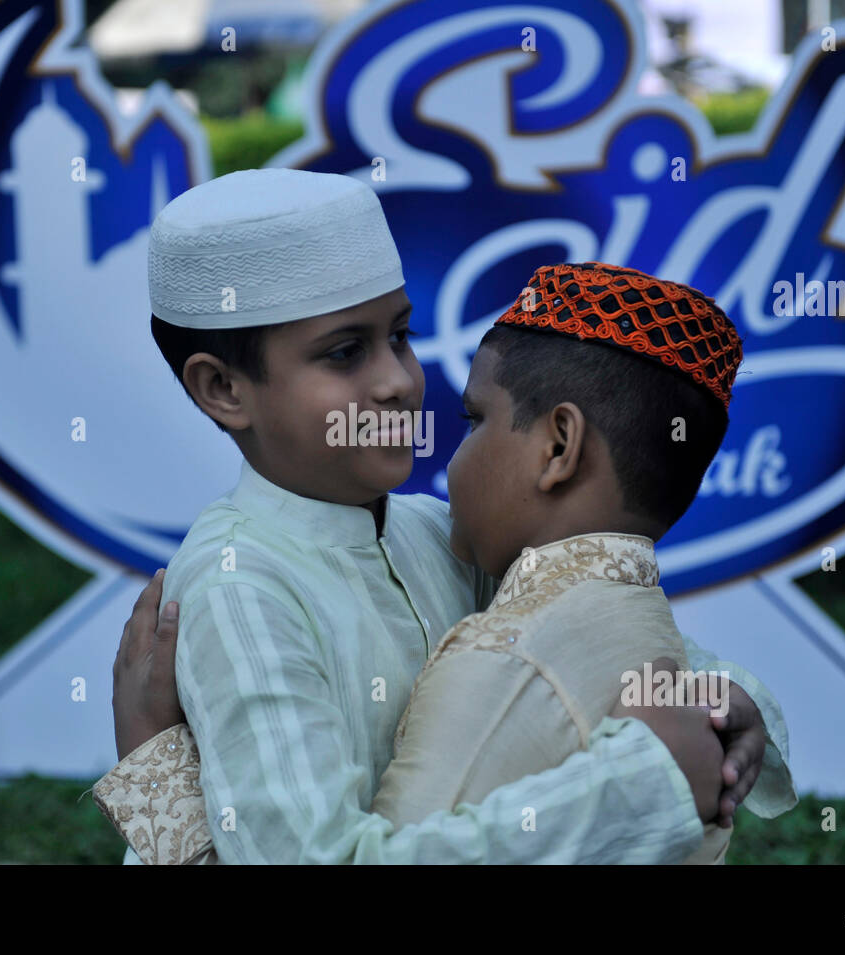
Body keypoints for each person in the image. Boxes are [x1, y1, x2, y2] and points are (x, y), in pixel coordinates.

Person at [94, 169, 795, 864]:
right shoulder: (240, 588)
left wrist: (724, 700)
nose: (399, 380)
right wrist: (636, 792)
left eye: (399, 334)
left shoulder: (439, 533)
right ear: (223, 388)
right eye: (345, 352)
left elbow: (592, 630)